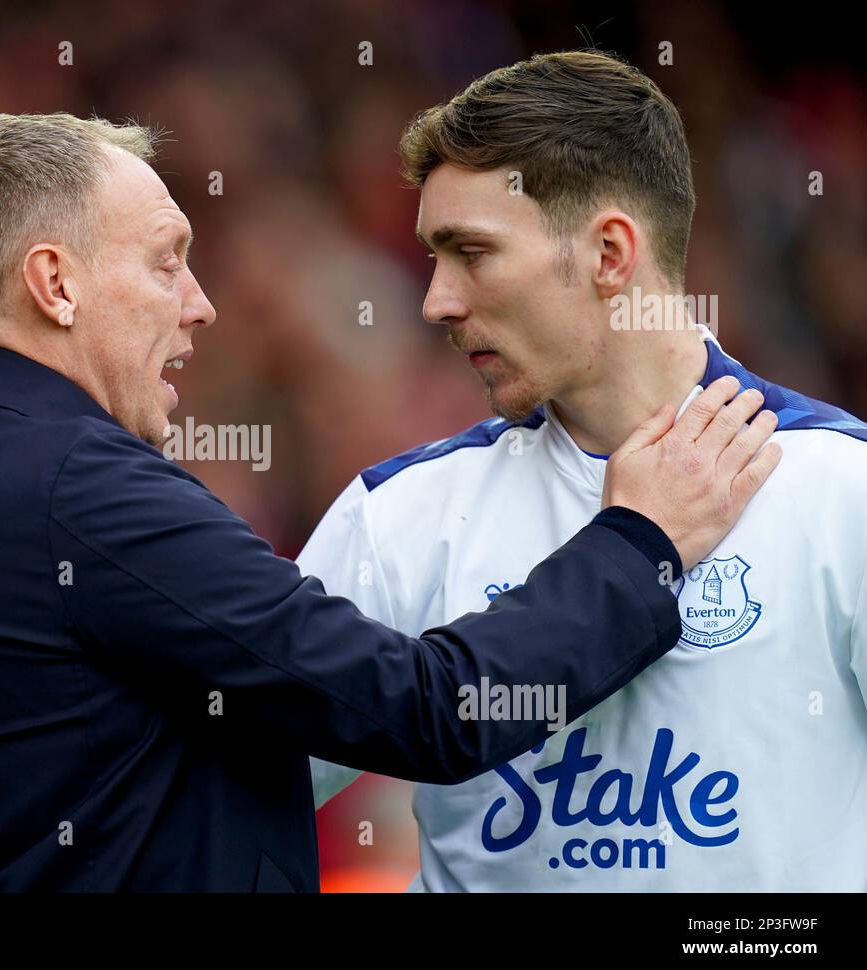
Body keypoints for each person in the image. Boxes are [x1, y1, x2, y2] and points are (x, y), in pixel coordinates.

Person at [0, 111, 776, 892]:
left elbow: (13, 774)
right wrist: (638, 541)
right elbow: (425, 707)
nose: (199, 304)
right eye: (168, 261)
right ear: (54, 284)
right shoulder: (83, 492)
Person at [303, 50, 867, 890]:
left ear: (609, 254)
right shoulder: (396, 517)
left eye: (473, 252)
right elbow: (226, 794)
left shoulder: (840, 490)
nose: (437, 302)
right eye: (433, 256)